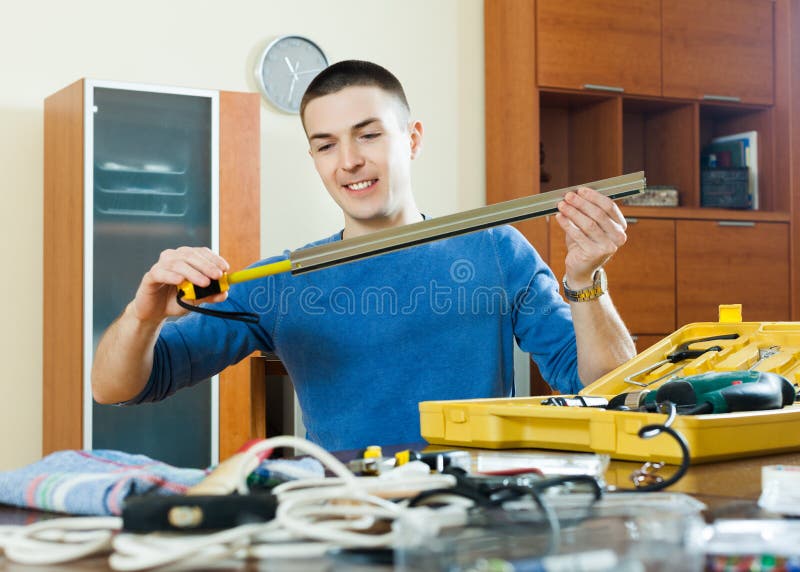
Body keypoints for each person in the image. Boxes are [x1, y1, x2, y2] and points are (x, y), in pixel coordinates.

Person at [92, 60, 636, 451]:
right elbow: (117, 388)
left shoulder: (495, 249)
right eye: (326, 144)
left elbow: (603, 386)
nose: (349, 160)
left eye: (368, 135)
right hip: (345, 515)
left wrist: (587, 279)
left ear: (412, 139)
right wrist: (143, 316)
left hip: (473, 511)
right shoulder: (277, 283)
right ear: (314, 156)